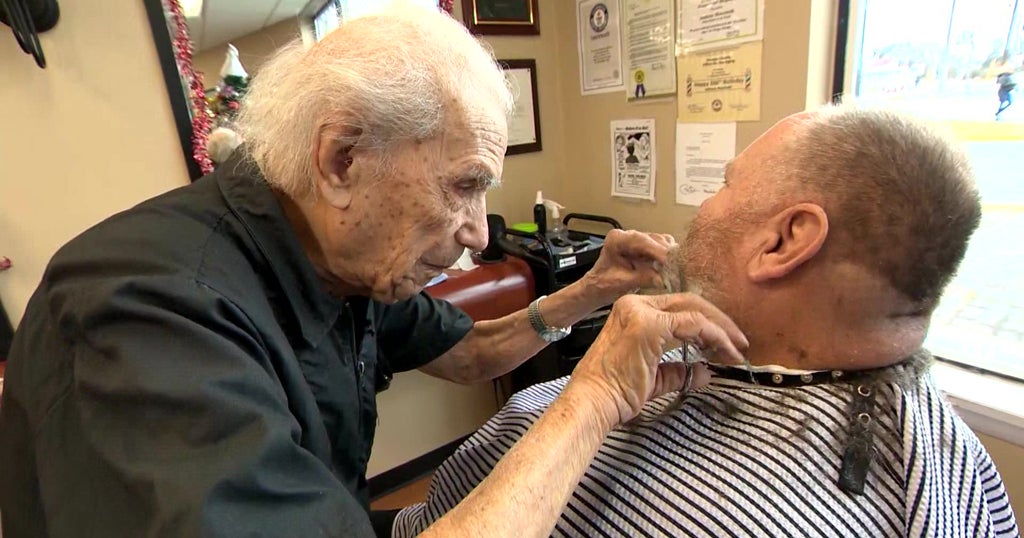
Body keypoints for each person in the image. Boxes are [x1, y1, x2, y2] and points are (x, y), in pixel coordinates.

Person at [0, 8, 749, 538]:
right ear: (341, 160)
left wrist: (594, 289)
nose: (478, 231)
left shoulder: (338, 255)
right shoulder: (142, 312)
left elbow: (467, 352)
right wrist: (596, 397)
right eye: (463, 184)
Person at [392, 107, 1020, 538]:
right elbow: (471, 353)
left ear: (785, 241)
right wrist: (589, 293)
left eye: (724, 184)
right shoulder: (956, 466)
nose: (704, 206)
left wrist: (592, 395)